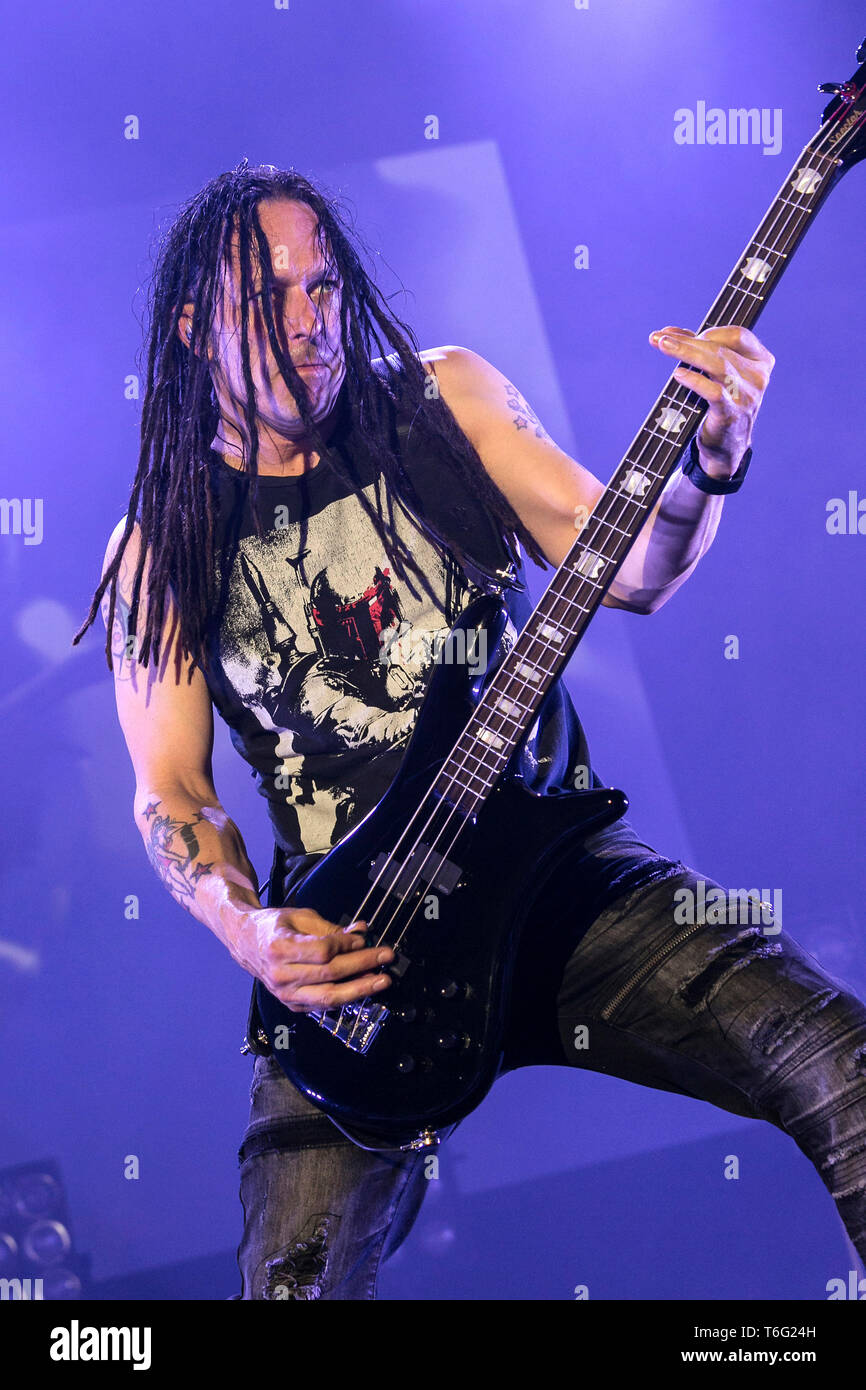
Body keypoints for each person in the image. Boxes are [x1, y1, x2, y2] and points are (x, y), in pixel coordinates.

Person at [75, 161, 866, 1300]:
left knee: (834, 1057)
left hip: (557, 875)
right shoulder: (163, 541)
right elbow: (172, 794)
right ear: (197, 329)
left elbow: (629, 564)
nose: (311, 326)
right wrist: (249, 933)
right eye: (271, 301)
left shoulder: (438, 400)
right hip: (353, 943)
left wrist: (711, 463)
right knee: (289, 1288)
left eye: (326, 289)